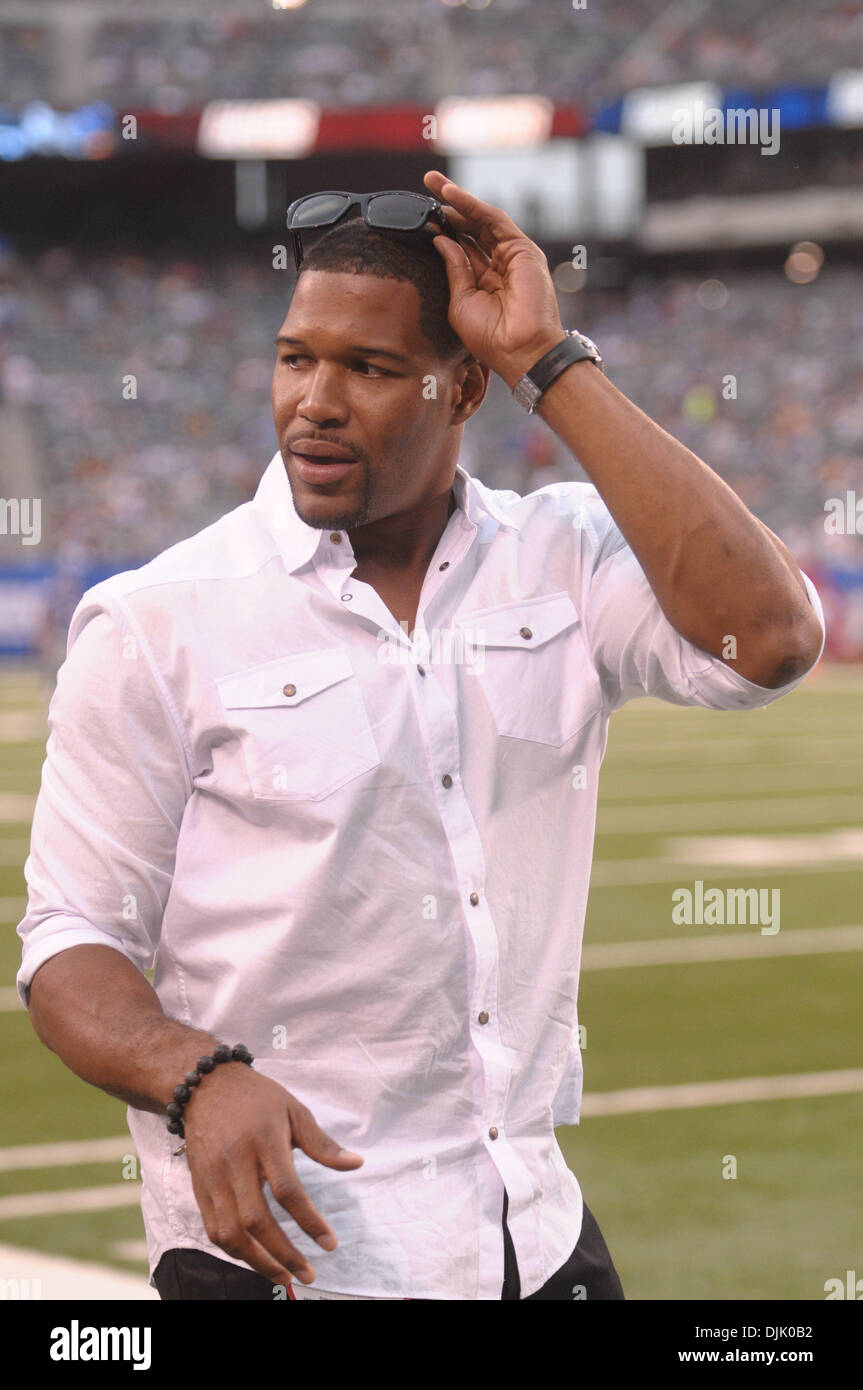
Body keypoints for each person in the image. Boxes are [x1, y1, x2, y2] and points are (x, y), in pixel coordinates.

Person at [17, 173, 825, 1301]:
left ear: (464, 390)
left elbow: (772, 639)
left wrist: (551, 359)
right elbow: (67, 942)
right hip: (293, 1259)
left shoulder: (559, 558)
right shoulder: (159, 618)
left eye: (372, 367)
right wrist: (193, 1075)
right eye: (297, 357)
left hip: (527, 1233)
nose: (315, 401)